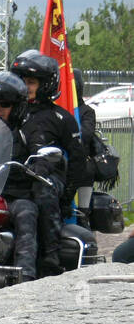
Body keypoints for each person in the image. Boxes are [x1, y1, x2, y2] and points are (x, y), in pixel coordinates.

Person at [10, 49, 88, 275]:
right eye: (22, 81)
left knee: (43, 189)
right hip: (12, 176)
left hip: (46, 177)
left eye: (31, 82)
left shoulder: (62, 118)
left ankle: (50, 256)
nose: (25, 87)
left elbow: (77, 160)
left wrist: (66, 196)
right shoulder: (10, 113)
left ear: (46, 84)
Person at [0, 71, 50, 281]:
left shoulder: (28, 128)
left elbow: (42, 152)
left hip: (15, 195)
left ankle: (25, 276)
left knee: (26, 213)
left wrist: (39, 165)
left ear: (17, 107)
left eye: (4, 105)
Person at [72, 71, 98, 224]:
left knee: (82, 214)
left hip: (81, 167)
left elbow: (86, 135)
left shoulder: (87, 112)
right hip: (61, 167)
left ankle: (84, 219)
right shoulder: (56, 111)